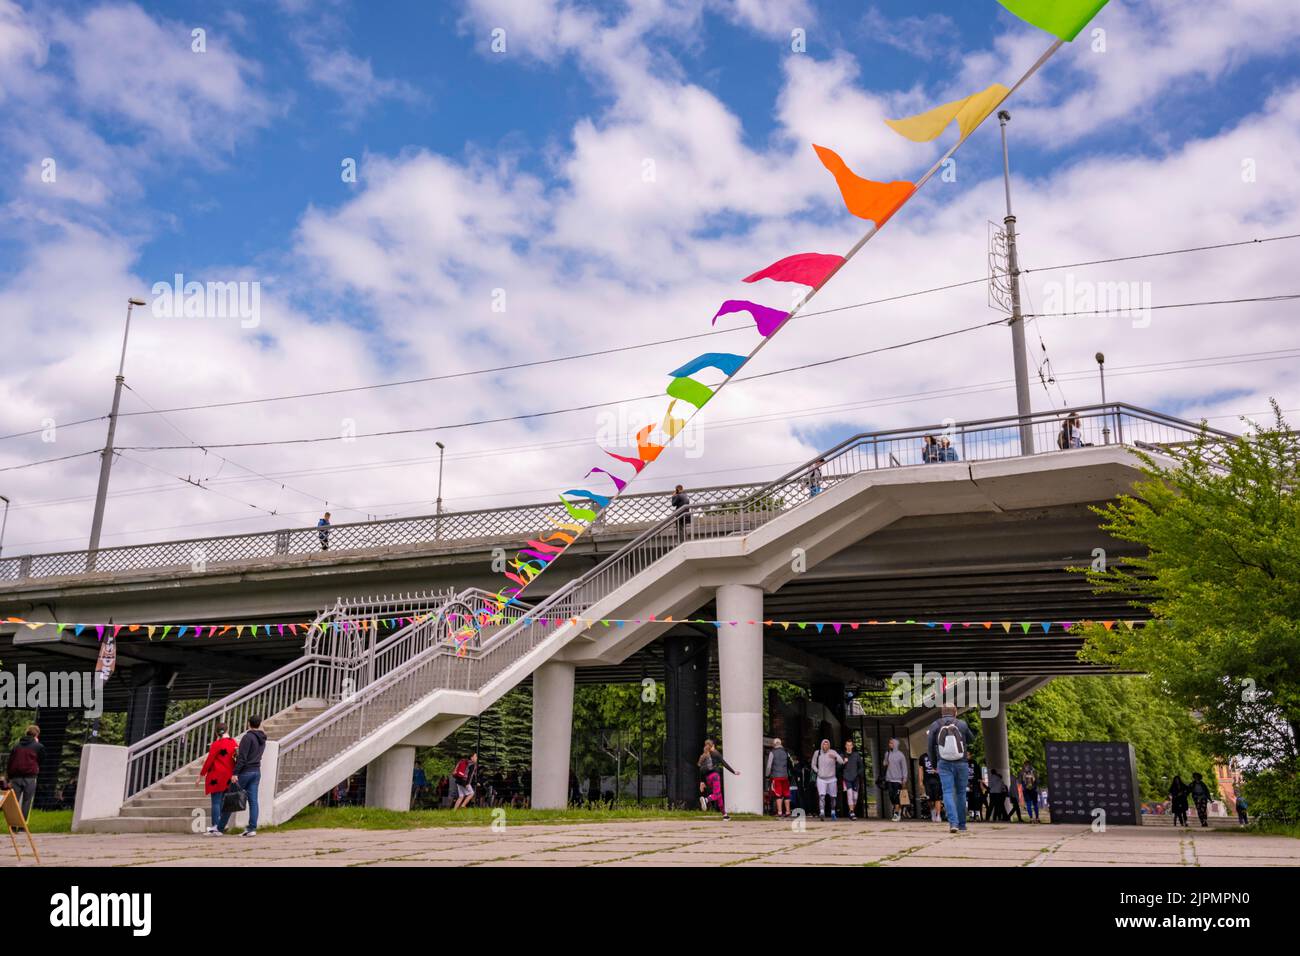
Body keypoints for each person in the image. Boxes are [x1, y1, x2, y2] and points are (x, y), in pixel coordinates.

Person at [927, 705, 973, 833]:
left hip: (944, 763)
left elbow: (930, 747)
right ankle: (962, 825)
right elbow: (971, 739)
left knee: (947, 792)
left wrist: (934, 764)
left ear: (942, 713)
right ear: (955, 712)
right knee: (961, 793)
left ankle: (953, 823)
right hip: (961, 763)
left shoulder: (935, 725)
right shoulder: (962, 724)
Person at [199, 722, 239, 835]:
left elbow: (209, 760)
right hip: (229, 776)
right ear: (228, 730)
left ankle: (215, 826)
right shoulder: (234, 743)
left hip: (216, 776)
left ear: (216, 732)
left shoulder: (216, 744)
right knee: (223, 801)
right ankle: (222, 825)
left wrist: (201, 774)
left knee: (216, 801)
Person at [232, 716, 267, 837]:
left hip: (245, 771)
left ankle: (220, 826)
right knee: (253, 801)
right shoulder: (262, 739)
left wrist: (235, 772)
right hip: (256, 771)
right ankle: (252, 828)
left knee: (231, 796)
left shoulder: (247, 737)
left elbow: (242, 758)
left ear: (248, 724)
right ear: (259, 724)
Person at [4, 724, 44, 821]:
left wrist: (9, 778)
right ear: (36, 735)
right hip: (30, 778)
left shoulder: (16, 746)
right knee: (27, 802)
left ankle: (13, 825)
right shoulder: (39, 746)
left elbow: (10, 762)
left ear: (26, 733)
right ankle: (22, 826)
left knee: (15, 802)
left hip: (16, 778)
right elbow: (41, 760)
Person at [698, 739, 738, 820]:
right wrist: (733, 772)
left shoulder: (704, 755)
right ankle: (706, 800)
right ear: (713, 746)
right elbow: (724, 763)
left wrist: (702, 782)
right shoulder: (716, 753)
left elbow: (701, 769)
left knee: (718, 795)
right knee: (716, 794)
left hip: (708, 778)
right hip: (715, 776)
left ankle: (725, 815)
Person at [812, 739, 845, 820]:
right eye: (824, 744)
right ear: (822, 745)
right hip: (821, 778)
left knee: (833, 797)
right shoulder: (817, 753)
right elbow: (813, 764)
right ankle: (822, 812)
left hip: (832, 778)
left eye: (827, 744)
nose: (825, 746)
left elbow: (841, 762)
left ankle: (833, 812)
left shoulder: (833, 752)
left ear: (829, 745)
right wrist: (818, 771)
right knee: (821, 796)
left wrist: (835, 757)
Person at [881, 738, 908, 822]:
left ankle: (896, 813)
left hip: (898, 780)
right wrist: (886, 762)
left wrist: (904, 779)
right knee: (891, 796)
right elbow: (884, 763)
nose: (890, 745)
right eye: (889, 743)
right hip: (889, 779)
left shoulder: (901, 755)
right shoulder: (887, 753)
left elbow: (904, 767)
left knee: (896, 797)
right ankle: (898, 809)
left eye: (892, 743)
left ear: (896, 744)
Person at [766, 738, 793, 818]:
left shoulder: (772, 752)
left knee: (778, 795)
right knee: (786, 794)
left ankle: (780, 812)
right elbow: (791, 763)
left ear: (774, 744)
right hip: (785, 776)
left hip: (776, 776)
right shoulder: (786, 752)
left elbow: (769, 766)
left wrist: (767, 775)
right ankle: (788, 811)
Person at [841, 739, 865, 819]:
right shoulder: (842, 755)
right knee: (850, 794)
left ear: (852, 746)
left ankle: (851, 811)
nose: (849, 747)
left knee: (855, 797)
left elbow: (861, 767)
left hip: (855, 779)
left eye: (850, 745)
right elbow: (837, 767)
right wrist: (843, 763)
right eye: (847, 745)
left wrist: (857, 774)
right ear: (845, 746)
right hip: (847, 778)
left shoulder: (856, 755)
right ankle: (852, 812)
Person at [918, 750, 943, 823]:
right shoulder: (923, 757)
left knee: (937, 798)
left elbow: (943, 767)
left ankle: (938, 815)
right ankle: (932, 811)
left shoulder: (939, 756)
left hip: (937, 780)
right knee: (929, 799)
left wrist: (938, 771)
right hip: (927, 780)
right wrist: (920, 781)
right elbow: (920, 769)